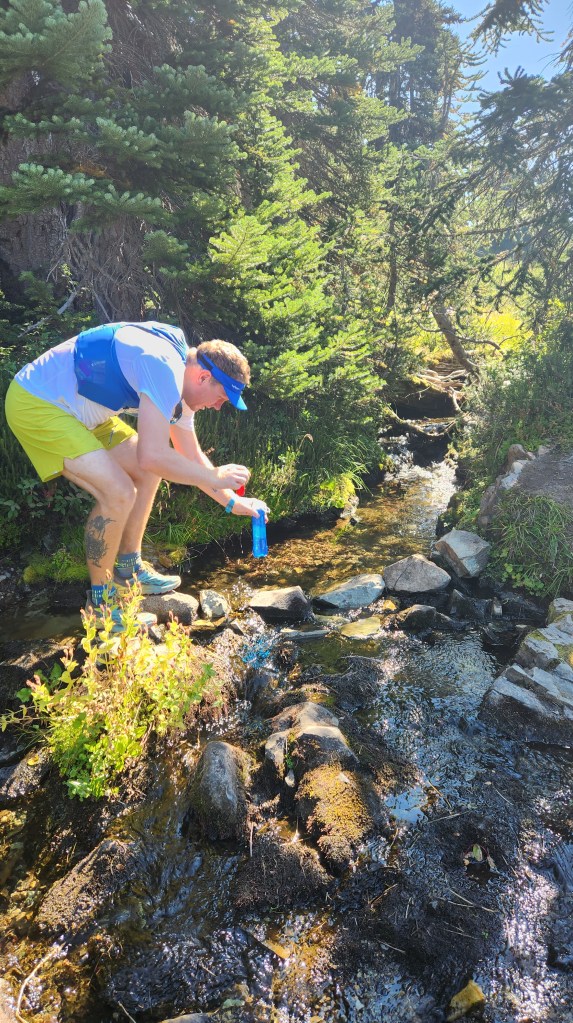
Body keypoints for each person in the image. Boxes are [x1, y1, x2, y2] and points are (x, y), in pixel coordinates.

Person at [5, 320, 269, 631]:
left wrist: (233, 503)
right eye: (221, 397)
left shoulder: (183, 380)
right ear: (203, 377)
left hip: (86, 413)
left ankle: (128, 571)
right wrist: (214, 477)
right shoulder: (163, 368)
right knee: (118, 493)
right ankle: (101, 606)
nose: (218, 407)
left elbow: (188, 455)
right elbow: (153, 454)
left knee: (147, 473)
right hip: (38, 403)